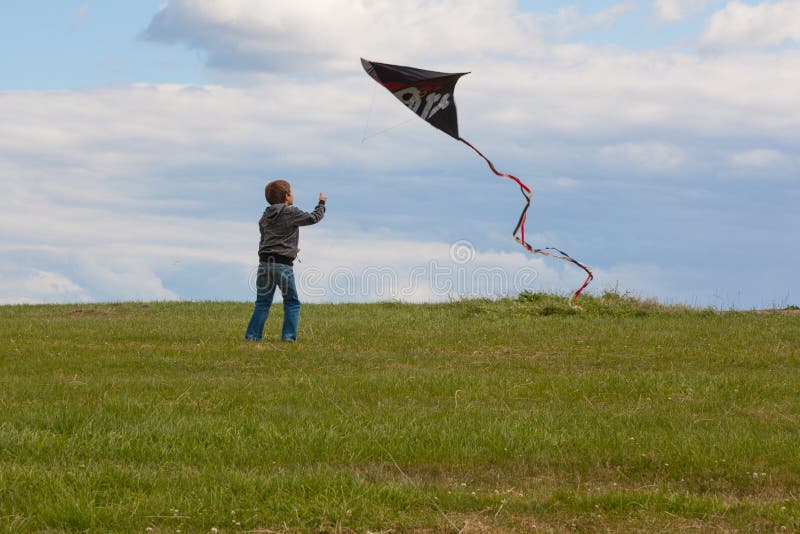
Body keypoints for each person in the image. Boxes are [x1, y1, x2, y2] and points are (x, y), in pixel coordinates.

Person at [245, 179, 326, 341]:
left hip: (264, 263)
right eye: (291, 192)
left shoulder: (265, 216)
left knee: (262, 302)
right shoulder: (290, 212)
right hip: (282, 264)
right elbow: (313, 218)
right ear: (287, 196)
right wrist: (321, 204)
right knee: (291, 302)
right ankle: (288, 338)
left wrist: (290, 248)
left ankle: (252, 337)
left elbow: (268, 238)